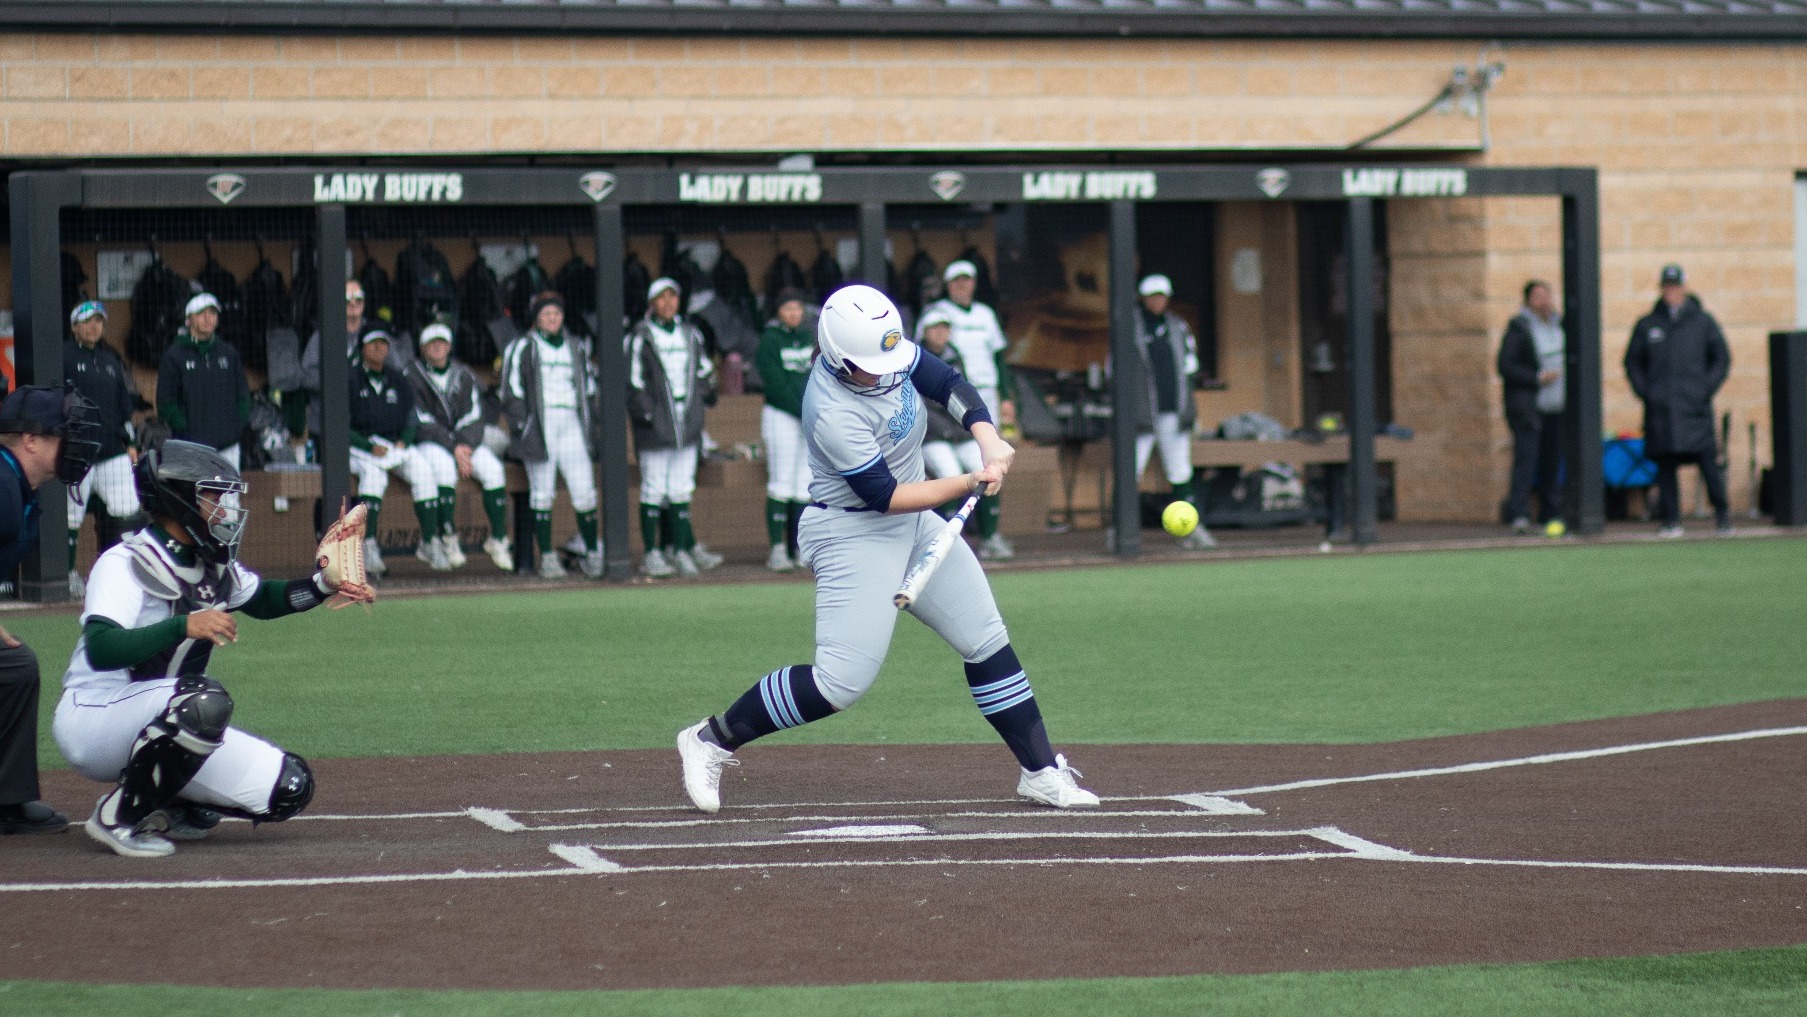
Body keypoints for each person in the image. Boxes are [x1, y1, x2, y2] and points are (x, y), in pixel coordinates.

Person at [676, 285, 1098, 813]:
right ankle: (710, 740)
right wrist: (968, 479)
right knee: (840, 683)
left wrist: (987, 438)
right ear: (836, 356)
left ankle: (1039, 771)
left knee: (986, 639)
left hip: (915, 522)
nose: (886, 371)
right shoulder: (829, 409)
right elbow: (884, 496)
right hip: (852, 532)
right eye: (871, 365)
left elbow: (946, 382)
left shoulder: (885, 349)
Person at [52, 440, 370, 858]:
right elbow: (102, 649)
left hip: (166, 715)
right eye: (215, 497)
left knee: (290, 787)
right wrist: (183, 625)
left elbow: (264, 601)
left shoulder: (211, 563)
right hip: (94, 716)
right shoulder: (125, 560)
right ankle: (119, 818)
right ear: (178, 498)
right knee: (204, 702)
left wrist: (322, 584)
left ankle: (170, 803)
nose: (227, 509)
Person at [0, 387, 100, 837]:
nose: (72, 447)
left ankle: (7, 799)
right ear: (30, 441)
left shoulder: (16, 486)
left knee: (17, 666)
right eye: (63, 436)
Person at [918, 261, 1018, 560]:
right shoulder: (937, 316)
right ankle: (952, 543)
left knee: (990, 467)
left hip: (977, 397)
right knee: (950, 473)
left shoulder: (985, 314)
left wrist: (1007, 396)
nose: (963, 285)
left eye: (968, 280)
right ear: (949, 284)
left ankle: (989, 537)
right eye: (957, 280)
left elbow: (999, 358)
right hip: (943, 408)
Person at [500, 294, 604, 579]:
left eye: (557, 314)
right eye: (546, 315)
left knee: (584, 491)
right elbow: (510, 392)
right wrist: (524, 425)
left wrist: (591, 425)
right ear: (536, 318)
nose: (553, 319)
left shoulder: (576, 347)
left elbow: (590, 387)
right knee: (542, 492)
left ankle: (592, 551)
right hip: (542, 426)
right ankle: (546, 556)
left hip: (571, 422)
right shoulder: (523, 346)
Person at [1624, 263, 1732, 537]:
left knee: (1708, 463)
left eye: (1675, 286)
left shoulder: (1703, 322)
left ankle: (1722, 515)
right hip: (1662, 409)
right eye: (1666, 286)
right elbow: (1632, 361)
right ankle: (1670, 520)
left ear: (1684, 288)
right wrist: (1647, 392)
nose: (1671, 291)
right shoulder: (1648, 324)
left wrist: (1705, 388)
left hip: (1694, 407)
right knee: (1665, 465)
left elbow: (1721, 357)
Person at [626, 278, 721, 578]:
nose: (668, 304)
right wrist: (650, 415)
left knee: (681, 489)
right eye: (661, 298)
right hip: (656, 426)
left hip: (687, 420)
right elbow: (633, 383)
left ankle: (680, 551)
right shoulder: (640, 336)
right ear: (651, 302)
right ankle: (652, 553)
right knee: (654, 489)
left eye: (673, 298)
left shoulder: (690, 333)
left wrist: (702, 398)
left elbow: (705, 370)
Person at [406, 323, 514, 573]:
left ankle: (498, 540)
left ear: (450, 345)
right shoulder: (411, 374)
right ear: (422, 348)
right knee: (444, 469)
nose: (438, 346)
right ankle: (448, 538)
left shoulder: (463, 374)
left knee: (494, 470)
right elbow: (421, 421)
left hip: (464, 443)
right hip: (430, 443)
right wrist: (455, 447)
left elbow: (474, 416)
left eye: (442, 342)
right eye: (432, 343)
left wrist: (463, 445)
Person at [1130, 274, 1214, 550]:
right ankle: (1124, 532)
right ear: (1143, 298)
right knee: (1131, 471)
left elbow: (1189, 370)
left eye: (1162, 296)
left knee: (1179, 470)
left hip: (1172, 412)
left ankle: (1191, 530)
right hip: (1141, 415)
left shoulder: (1178, 326)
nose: (1157, 301)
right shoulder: (1131, 326)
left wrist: (1188, 409)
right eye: (1152, 296)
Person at [65, 300, 143, 597]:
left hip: (113, 450)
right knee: (71, 515)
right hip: (77, 451)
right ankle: (68, 575)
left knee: (127, 510)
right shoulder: (65, 356)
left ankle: (125, 571)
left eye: (98, 321)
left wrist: (131, 443)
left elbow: (125, 409)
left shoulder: (110, 361)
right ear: (74, 326)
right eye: (87, 321)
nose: (93, 326)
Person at [347, 328, 439, 575]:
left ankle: (430, 542)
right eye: (373, 343)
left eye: (384, 344)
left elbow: (412, 418)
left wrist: (404, 441)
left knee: (423, 471)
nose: (379, 348)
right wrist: (367, 446)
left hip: (393, 445)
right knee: (375, 477)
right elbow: (340, 426)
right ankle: (368, 546)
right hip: (360, 447)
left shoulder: (398, 378)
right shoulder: (351, 378)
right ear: (363, 348)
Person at [754, 289, 815, 573]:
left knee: (804, 482)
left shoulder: (809, 337)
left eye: (797, 308)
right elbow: (776, 385)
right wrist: (803, 411)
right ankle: (777, 549)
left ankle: (799, 547)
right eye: (787, 308)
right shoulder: (769, 339)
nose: (793, 313)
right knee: (781, 480)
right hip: (781, 415)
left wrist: (813, 410)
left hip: (807, 415)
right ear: (778, 311)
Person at [1498, 280, 1565, 533]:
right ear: (1527, 300)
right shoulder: (1519, 328)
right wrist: (1537, 377)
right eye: (1537, 297)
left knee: (1552, 461)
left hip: (1557, 406)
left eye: (1546, 296)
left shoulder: (1560, 325)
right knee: (1526, 461)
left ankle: (1551, 512)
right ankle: (1519, 514)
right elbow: (1505, 366)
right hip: (1529, 407)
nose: (1543, 301)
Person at [917, 307, 993, 525]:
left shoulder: (955, 355)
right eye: (935, 328)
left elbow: (965, 396)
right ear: (924, 332)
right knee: (951, 473)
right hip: (931, 436)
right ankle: (947, 532)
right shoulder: (916, 359)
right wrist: (947, 430)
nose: (940, 333)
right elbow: (921, 408)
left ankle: (989, 535)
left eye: (945, 328)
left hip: (958, 433)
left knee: (987, 471)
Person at [156, 293, 249, 469]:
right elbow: (165, 402)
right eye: (201, 313)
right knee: (195, 496)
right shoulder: (174, 356)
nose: (208, 318)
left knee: (229, 496)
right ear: (188, 320)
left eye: (212, 313)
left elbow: (243, 395)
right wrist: (185, 429)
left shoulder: (229, 353)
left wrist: (236, 427)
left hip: (228, 446)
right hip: (191, 447)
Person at [298, 280, 369, 441]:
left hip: (366, 428)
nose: (353, 303)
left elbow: (397, 371)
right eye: (346, 298)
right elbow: (305, 376)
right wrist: (338, 381)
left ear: (364, 302)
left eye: (358, 298)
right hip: (328, 428)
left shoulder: (375, 335)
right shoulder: (322, 336)